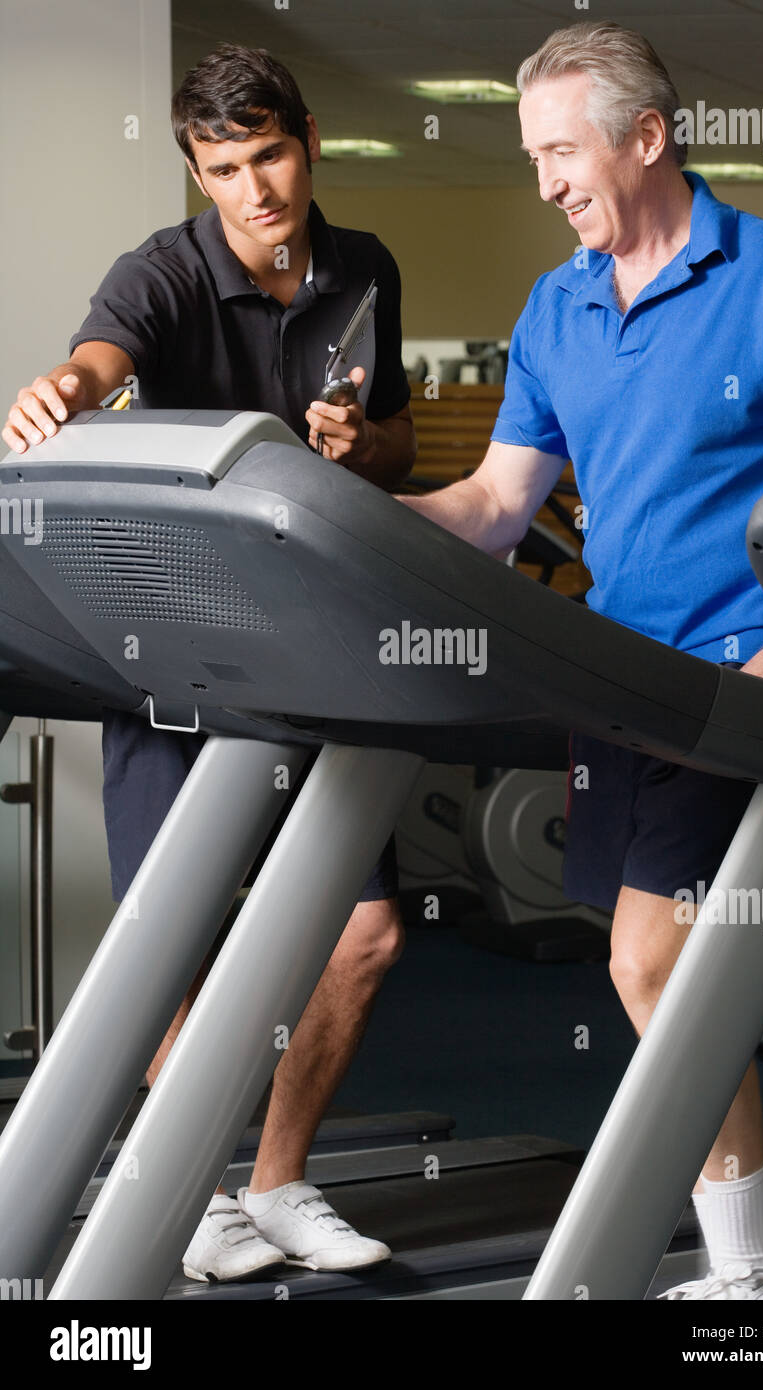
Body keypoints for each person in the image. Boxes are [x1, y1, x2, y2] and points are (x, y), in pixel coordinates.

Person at [399, 20, 763, 1300]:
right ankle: (752, 1254)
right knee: (665, 969)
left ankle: (751, 1267)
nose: (544, 181)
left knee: (651, 963)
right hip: (618, 677)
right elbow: (498, 505)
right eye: (531, 156)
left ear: (648, 138)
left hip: (737, 678)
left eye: (560, 151)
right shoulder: (554, 306)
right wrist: (351, 516)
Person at [2, 43, 416, 1283]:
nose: (255, 190)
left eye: (270, 156)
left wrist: (363, 444)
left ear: (310, 141)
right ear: (198, 167)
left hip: (318, 642)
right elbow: (100, 361)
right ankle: (191, 1189)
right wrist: (59, 390)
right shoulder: (165, 274)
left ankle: (277, 1183)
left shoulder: (364, 267)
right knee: (168, 941)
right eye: (224, 168)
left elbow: (391, 440)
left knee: (367, 935)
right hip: (173, 651)